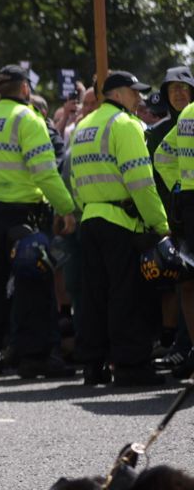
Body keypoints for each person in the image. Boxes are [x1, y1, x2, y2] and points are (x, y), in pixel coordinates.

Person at [0, 64, 77, 379]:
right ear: (25, 90)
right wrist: (66, 208)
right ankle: (34, 357)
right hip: (25, 216)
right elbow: (45, 172)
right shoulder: (28, 119)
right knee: (33, 284)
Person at [68, 72, 167, 386]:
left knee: (94, 297)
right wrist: (159, 224)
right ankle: (131, 365)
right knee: (127, 296)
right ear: (117, 94)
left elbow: (75, 180)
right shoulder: (124, 125)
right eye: (134, 92)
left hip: (91, 219)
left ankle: (93, 365)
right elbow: (141, 181)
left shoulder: (83, 127)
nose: (139, 99)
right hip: (121, 222)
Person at [154, 66, 194, 380]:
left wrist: (179, 186)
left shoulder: (187, 118)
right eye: (172, 89)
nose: (179, 94)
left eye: (184, 87)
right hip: (183, 211)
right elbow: (163, 159)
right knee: (187, 284)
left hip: (185, 209)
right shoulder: (182, 119)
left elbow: (162, 158)